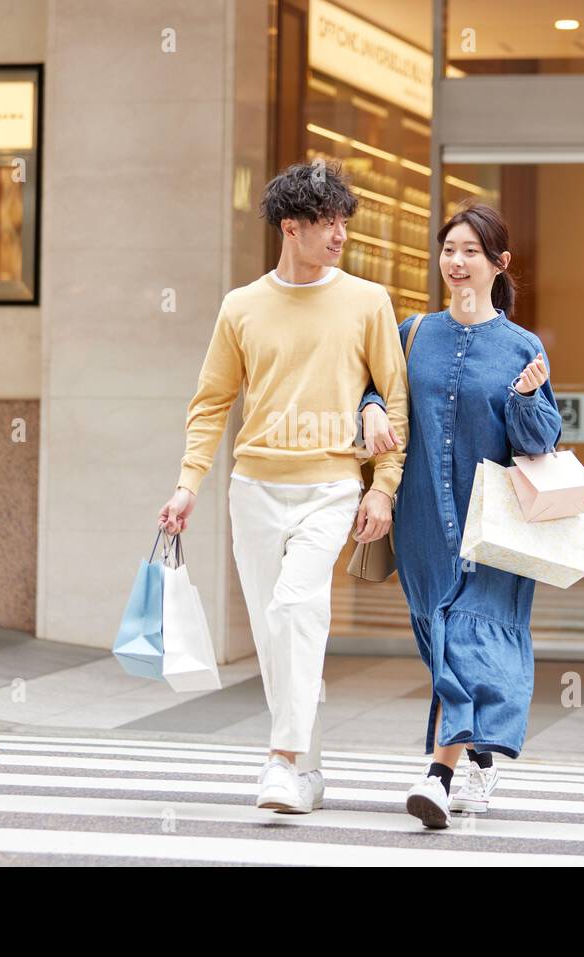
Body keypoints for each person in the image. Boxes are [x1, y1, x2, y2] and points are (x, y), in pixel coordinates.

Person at [157, 160, 409, 814]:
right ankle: (311, 770)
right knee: (278, 637)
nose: (340, 234)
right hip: (254, 490)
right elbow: (211, 402)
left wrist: (381, 487)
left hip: (330, 486)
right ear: (289, 228)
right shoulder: (241, 307)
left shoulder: (367, 302)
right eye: (327, 222)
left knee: (297, 609)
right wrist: (189, 484)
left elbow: (396, 399)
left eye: (344, 222)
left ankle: (280, 760)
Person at [360, 202, 562, 829]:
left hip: (491, 526)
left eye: (471, 251)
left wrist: (527, 398)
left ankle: (438, 776)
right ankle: (480, 756)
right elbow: (379, 390)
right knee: (437, 633)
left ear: (499, 265)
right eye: (449, 249)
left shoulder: (522, 348)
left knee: (466, 635)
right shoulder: (413, 332)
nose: (457, 261)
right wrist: (369, 408)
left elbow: (540, 444)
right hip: (423, 518)